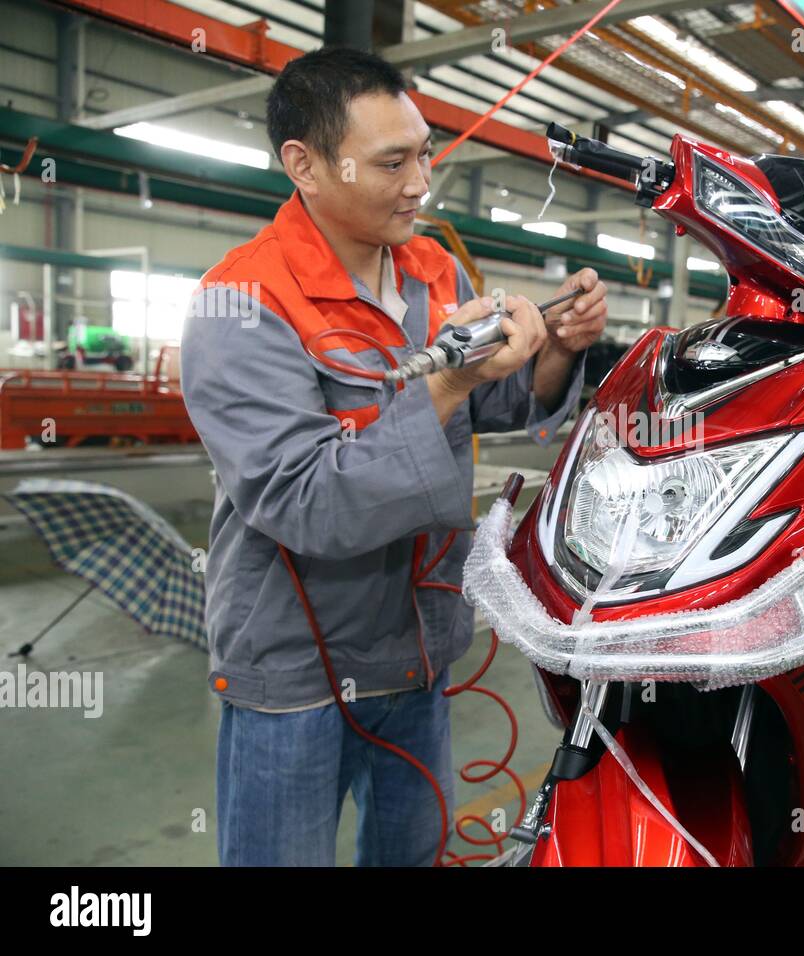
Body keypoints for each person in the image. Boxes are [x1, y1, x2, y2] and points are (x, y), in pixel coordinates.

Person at [179, 47, 608, 866]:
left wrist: (553, 349)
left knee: (410, 854)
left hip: (416, 649)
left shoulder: (428, 269)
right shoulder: (241, 306)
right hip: (298, 668)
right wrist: (444, 390)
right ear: (304, 164)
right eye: (392, 161)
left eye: (425, 155)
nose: (421, 183)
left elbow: (495, 402)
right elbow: (304, 500)